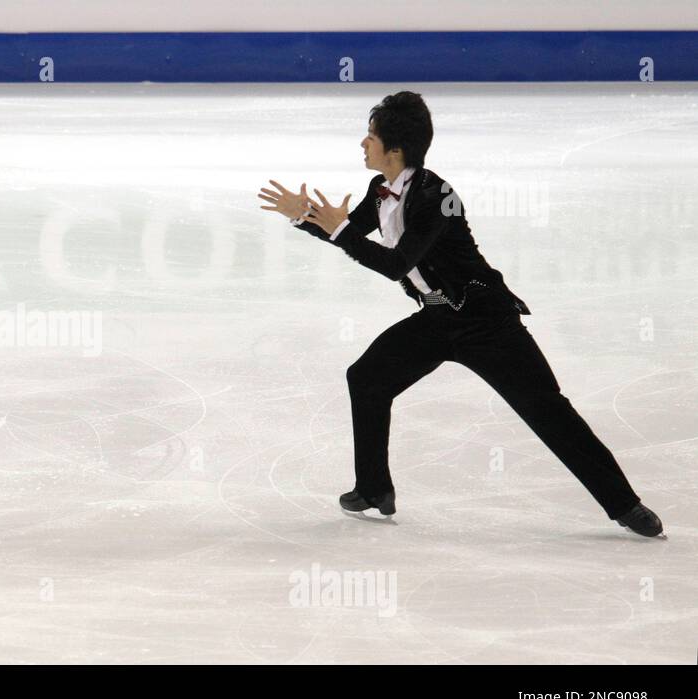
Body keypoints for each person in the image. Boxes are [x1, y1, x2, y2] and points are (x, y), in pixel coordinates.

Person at [258, 91, 662, 537]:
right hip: (436, 319)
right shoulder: (380, 190)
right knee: (367, 378)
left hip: (485, 322)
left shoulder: (437, 196)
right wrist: (306, 218)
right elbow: (352, 234)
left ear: (395, 149)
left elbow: (394, 263)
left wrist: (337, 229)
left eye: (370, 137)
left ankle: (625, 505)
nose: (363, 144)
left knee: (546, 409)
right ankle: (374, 489)